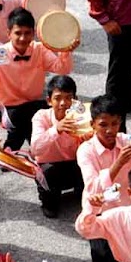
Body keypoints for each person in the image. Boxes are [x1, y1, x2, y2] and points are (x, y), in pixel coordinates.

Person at [0, 7, 73, 151]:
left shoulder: (40, 49)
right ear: (8, 34)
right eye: (18, 33)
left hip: (32, 105)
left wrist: (66, 49)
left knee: (53, 110)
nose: (22, 38)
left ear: (33, 34)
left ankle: (15, 152)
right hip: (5, 108)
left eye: (27, 33)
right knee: (26, 117)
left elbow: (62, 69)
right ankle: (18, 150)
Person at [75, 96, 131, 209]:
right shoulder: (85, 151)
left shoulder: (127, 141)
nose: (110, 130)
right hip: (100, 209)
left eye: (114, 124)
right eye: (103, 125)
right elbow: (94, 188)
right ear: (92, 124)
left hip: (128, 207)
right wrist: (119, 163)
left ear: (120, 122)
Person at [30, 75, 88, 218]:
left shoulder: (84, 117)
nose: (63, 103)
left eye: (69, 98)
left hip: (75, 164)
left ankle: (81, 189)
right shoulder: (41, 117)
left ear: (76, 100)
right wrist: (56, 129)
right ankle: (48, 199)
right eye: (58, 98)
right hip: (50, 168)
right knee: (48, 173)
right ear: (49, 101)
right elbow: (35, 148)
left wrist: (89, 139)